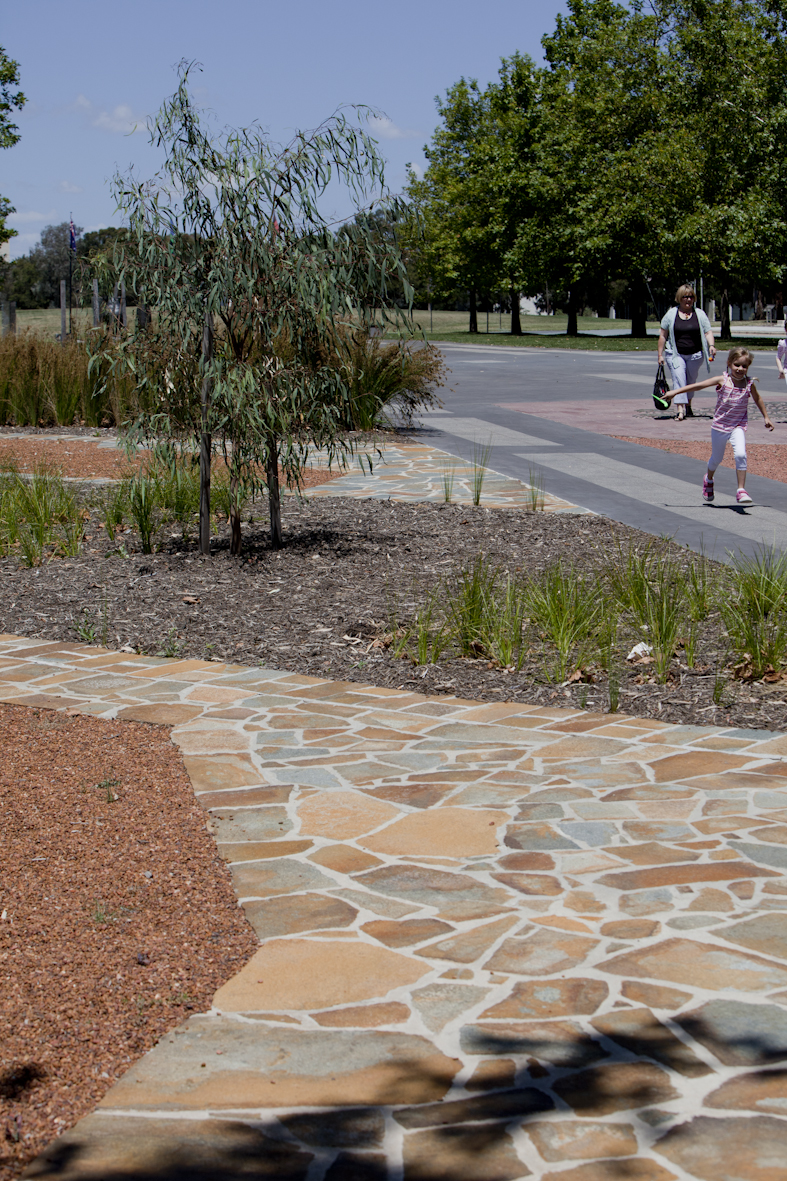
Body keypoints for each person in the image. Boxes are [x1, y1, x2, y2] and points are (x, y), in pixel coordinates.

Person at [663, 346, 773, 504]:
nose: (740, 369)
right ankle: (708, 478)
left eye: (744, 366)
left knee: (741, 455)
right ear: (729, 363)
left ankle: (741, 490)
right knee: (716, 459)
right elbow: (698, 386)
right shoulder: (722, 380)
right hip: (720, 426)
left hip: (738, 426)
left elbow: (758, 399)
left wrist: (766, 417)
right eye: (737, 365)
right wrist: (675, 393)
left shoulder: (749, 384)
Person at [657, 285, 716, 421]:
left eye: (690, 296)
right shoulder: (671, 314)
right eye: (685, 296)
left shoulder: (699, 314)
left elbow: (708, 332)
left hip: (696, 355)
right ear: (679, 298)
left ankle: (688, 405)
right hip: (675, 354)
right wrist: (660, 355)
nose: (688, 299)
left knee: (690, 381)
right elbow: (663, 335)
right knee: (679, 379)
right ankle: (680, 409)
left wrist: (711, 345)